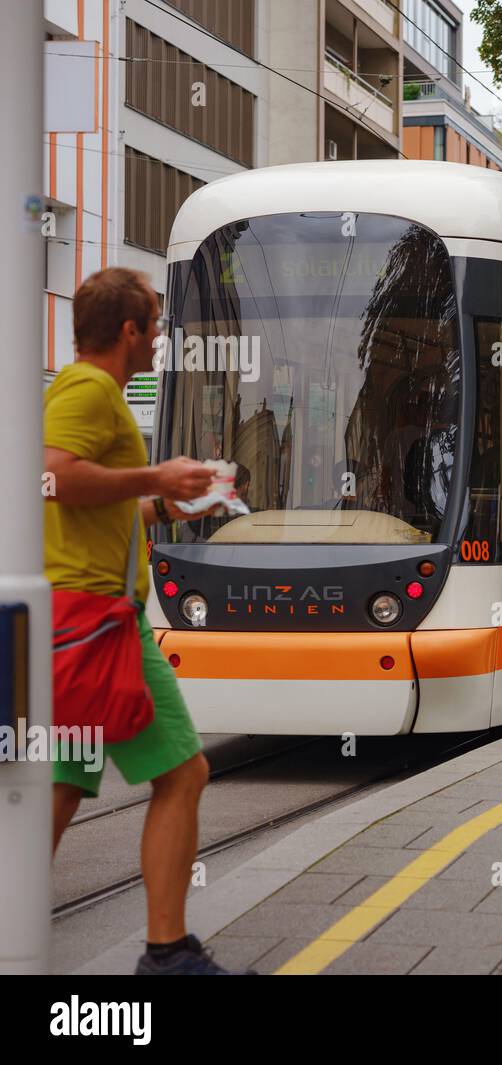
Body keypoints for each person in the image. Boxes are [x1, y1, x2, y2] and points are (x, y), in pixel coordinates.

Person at [44, 267, 246, 975]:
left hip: (78, 619)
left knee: (61, 788)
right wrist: (157, 477)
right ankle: (167, 952)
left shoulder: (98, 394)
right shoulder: (89, 388)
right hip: (99, 621)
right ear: (129, 330)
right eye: (155, 325)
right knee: (185, 772)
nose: (160, 338)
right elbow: (52, 477)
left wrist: (171, 505)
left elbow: (90, 500)